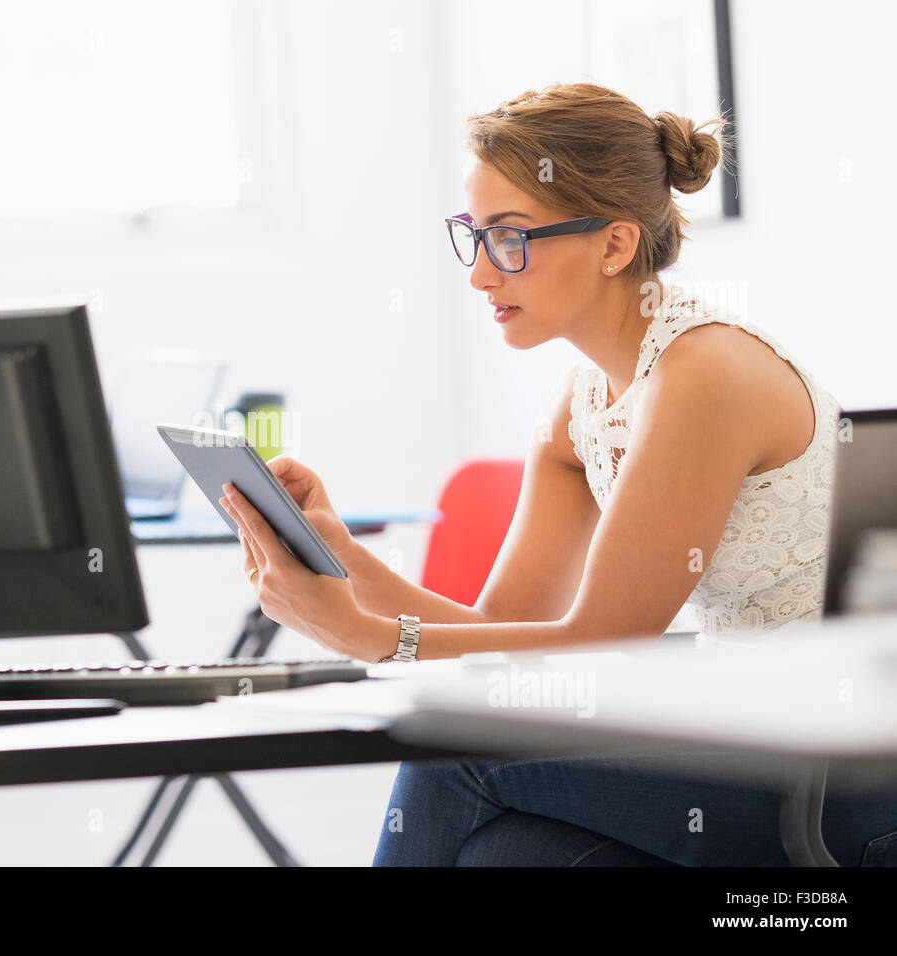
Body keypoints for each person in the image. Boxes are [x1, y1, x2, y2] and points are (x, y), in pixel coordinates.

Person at [215, 82, 897, 866]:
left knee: (467, 749)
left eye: (509, 239)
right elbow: (507, 631)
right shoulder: (581, 405)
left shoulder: (706, 374)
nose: (480, 275)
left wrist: (365, 636)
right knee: (501, 852)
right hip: (746, 743)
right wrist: (343, 560)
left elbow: (602, 646)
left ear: (613, 245)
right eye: (472, 237)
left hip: (842, 777)